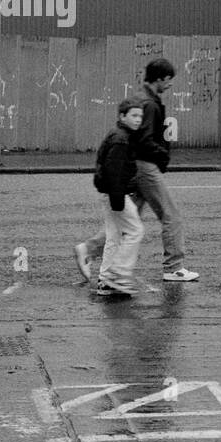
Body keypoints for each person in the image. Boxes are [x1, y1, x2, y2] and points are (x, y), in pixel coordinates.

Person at [75, 56, 200, 284]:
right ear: (159, 79)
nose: (170, 84)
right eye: (168, 79)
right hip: (145, 166)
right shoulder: (150, 104)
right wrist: (163, 154)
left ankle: (88, 249)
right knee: (171, 215)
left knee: (127, 221)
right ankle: (174, 267)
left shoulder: (141, 98)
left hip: (136, 165)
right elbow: (144, 140)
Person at [88, 96, 146, 296]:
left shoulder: (121, 135)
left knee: (114, 237)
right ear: (122, 116)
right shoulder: (121, 140)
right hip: (116, 194)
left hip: (110, 193)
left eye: (140, 116)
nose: (138, 120)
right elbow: (114, 172)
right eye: (134, 115)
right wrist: (118, 200)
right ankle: (119, 274)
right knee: (135, 231)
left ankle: (106, 281)